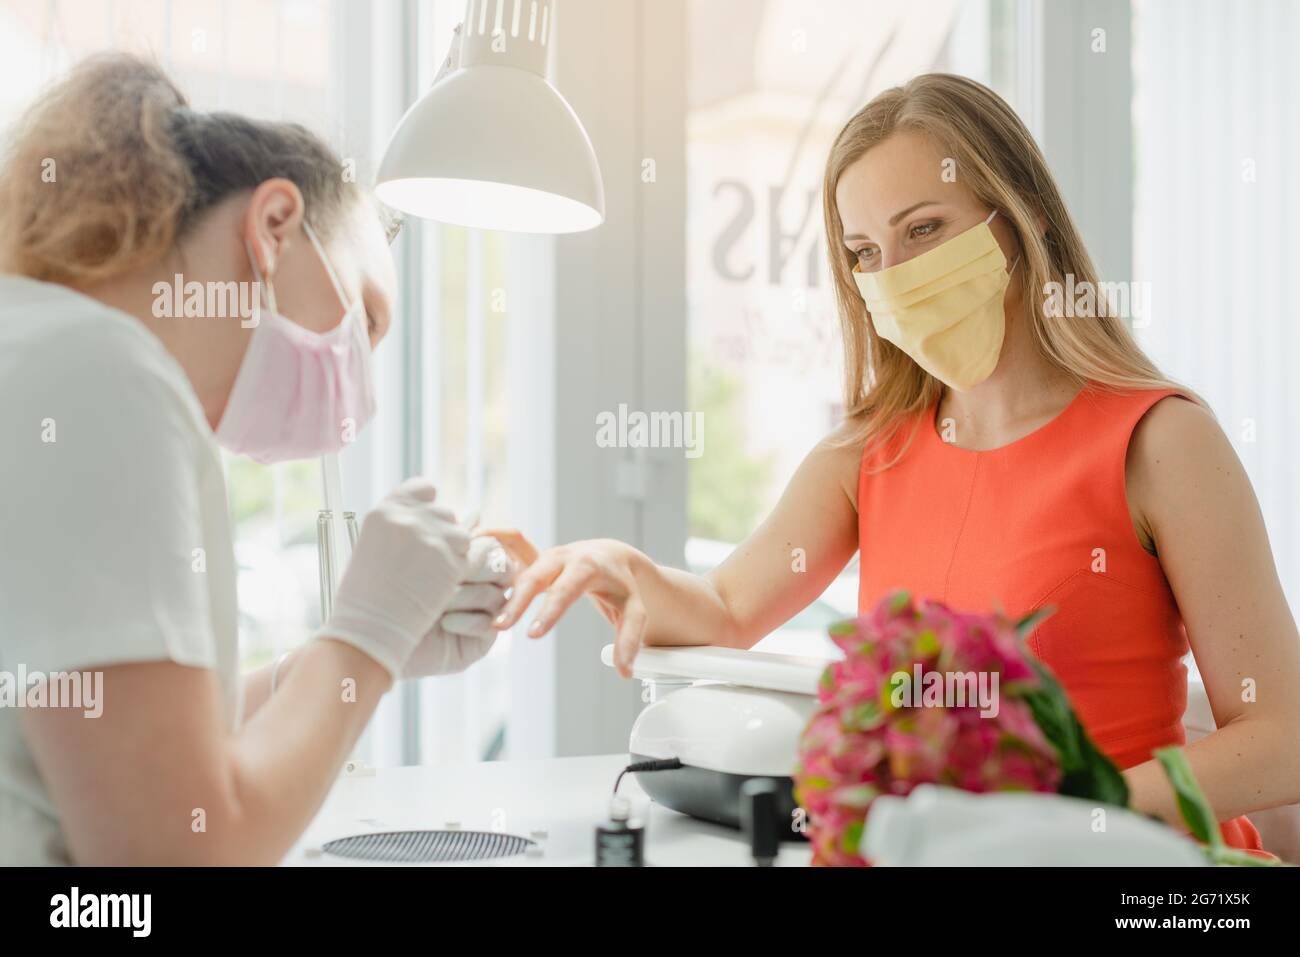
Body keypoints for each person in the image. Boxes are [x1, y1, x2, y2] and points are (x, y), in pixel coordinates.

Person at [493, 74, 1300, 852]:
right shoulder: (864, 454)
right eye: (865, 251)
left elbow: (1282, 738)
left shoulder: (1161, 441)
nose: (897, 274)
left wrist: (1071, 815)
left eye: (923, 230)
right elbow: (725, 605)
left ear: (1024, 221)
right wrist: (620, 566)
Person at [0, 54, 511, 865]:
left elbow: (123, 739)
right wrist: (365, 638)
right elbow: (175, 853)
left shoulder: (40, 349)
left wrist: (333, 661)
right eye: (366, 319)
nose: (363, 392)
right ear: (274, 225)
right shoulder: (103, 377)